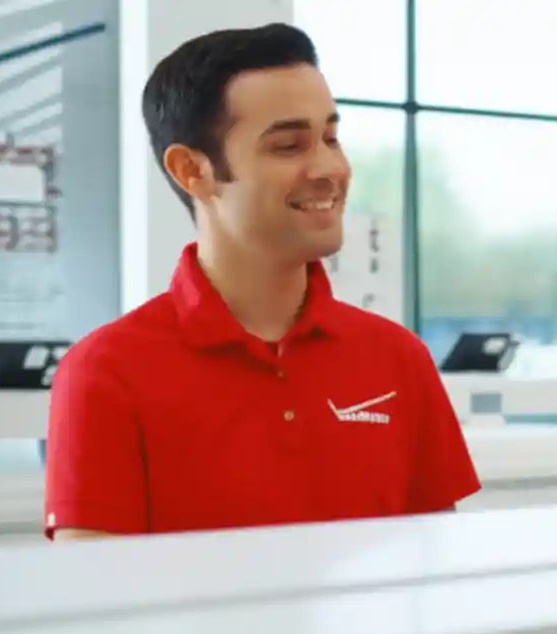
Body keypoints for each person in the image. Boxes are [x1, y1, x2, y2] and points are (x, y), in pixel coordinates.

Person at [44, 24, 479, 539]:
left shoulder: (398, 359)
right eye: (289, 145)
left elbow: (433, 576)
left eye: (331, 138)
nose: (330, 168)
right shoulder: (105, 375)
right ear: (192, 170)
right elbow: (93, 605)